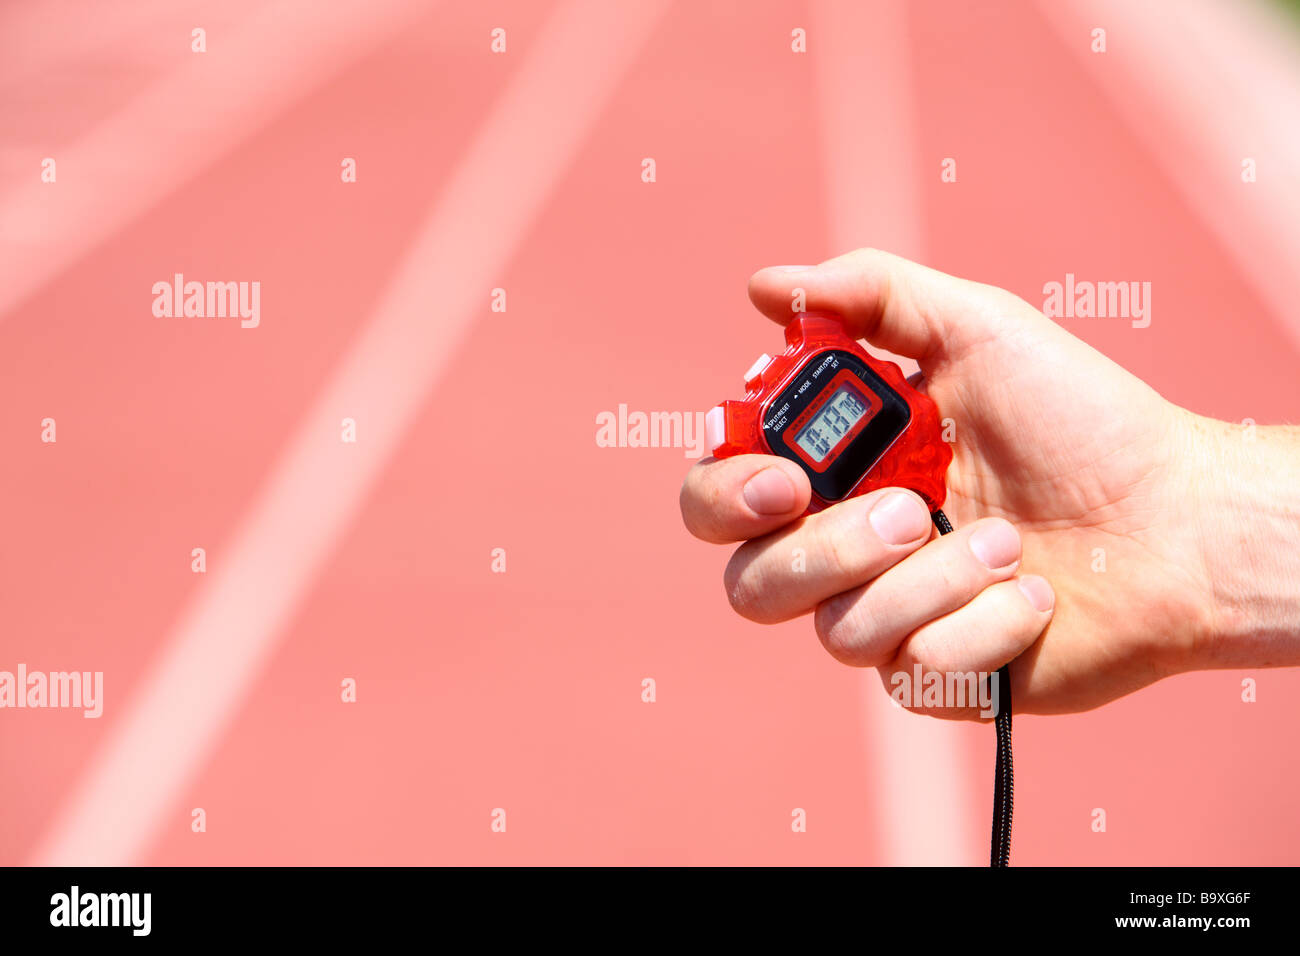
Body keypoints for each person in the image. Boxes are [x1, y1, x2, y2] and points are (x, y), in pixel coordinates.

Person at [679, 249, 1300, 718]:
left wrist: (1176, 505)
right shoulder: (823, 352)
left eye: (841, 411)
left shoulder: (827, 358)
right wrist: (1191, 538)